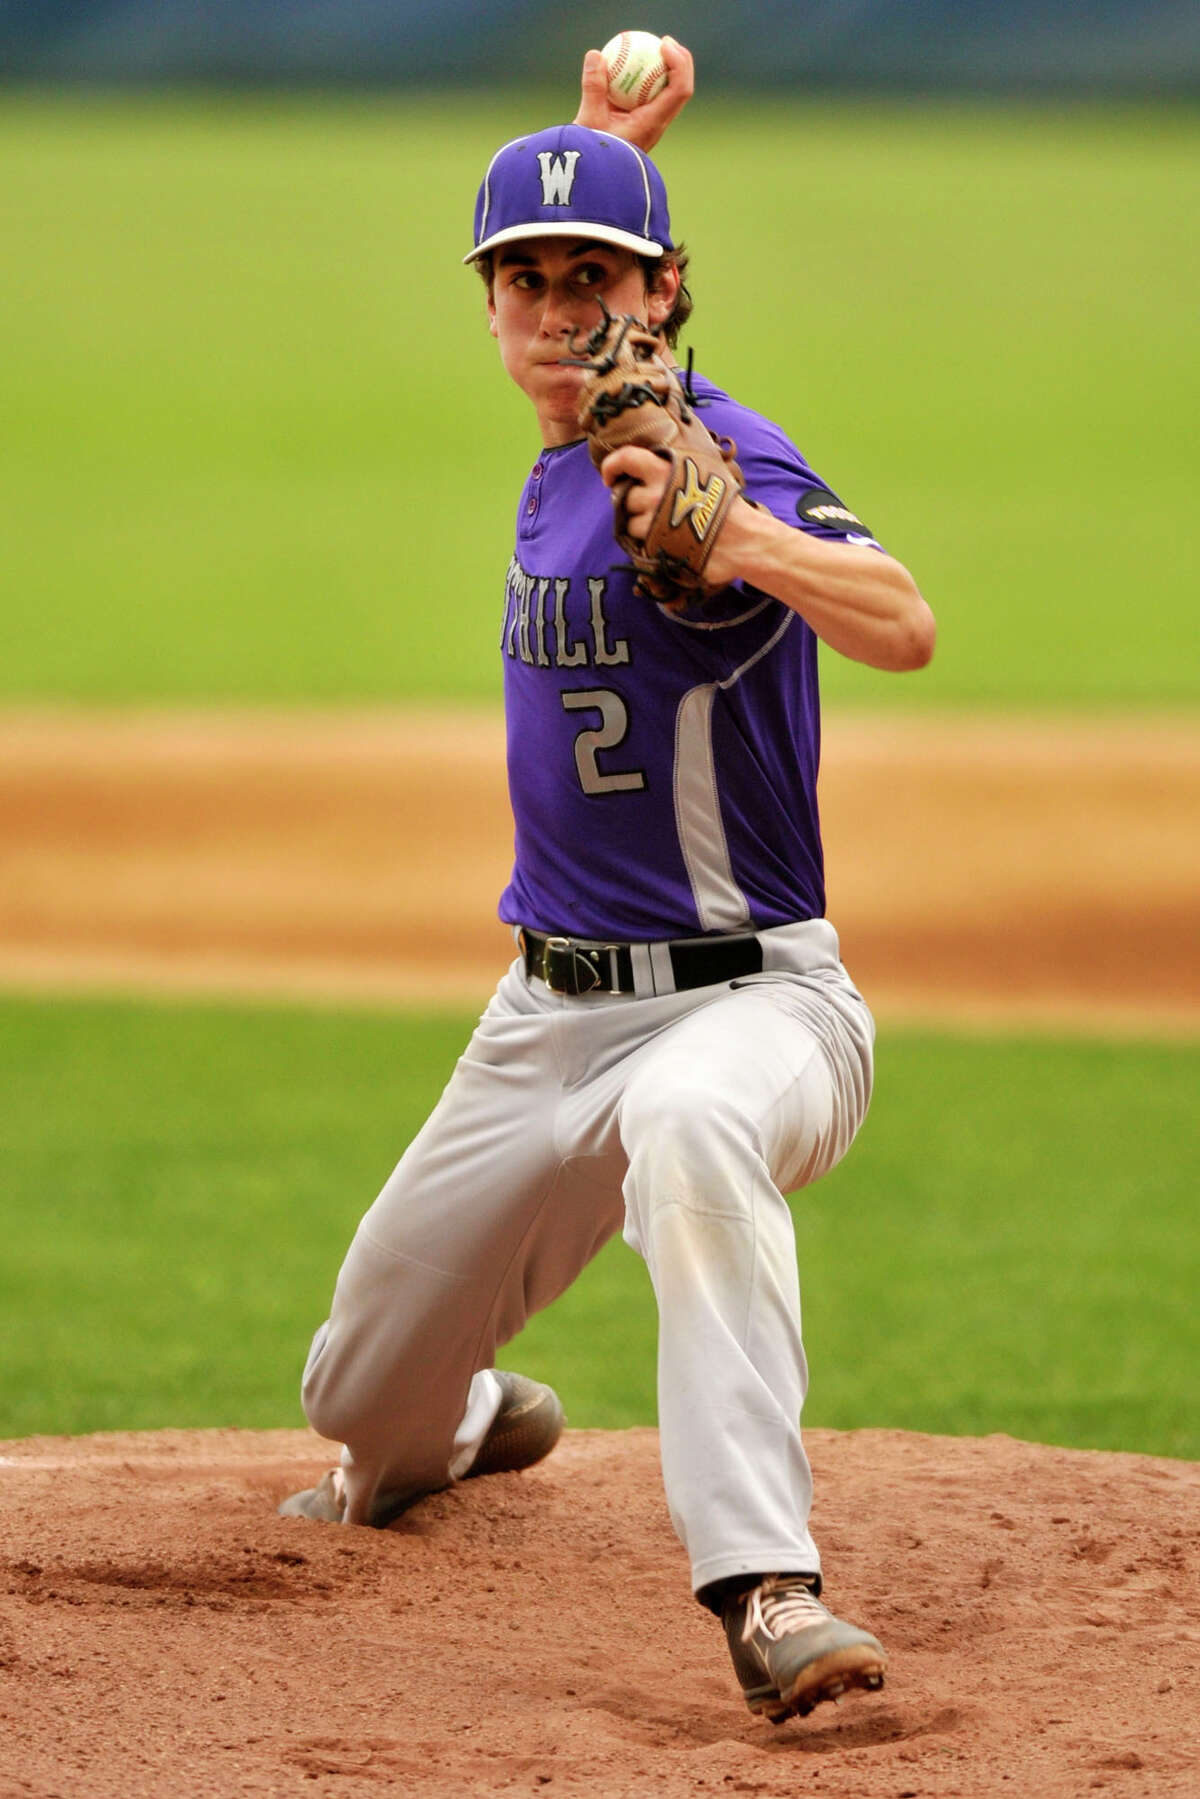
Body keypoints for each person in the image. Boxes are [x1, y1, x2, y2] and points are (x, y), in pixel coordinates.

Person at [280, 40, 936, 1726]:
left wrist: (739, 539)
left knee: (695, 1133)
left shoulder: (720, 448)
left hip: (756, 1003)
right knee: (357, 1403)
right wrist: (597, 152)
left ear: (665, 292)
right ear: (493, 309)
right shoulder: (570, 431)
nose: (560, 313)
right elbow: (574, 290)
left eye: (601, 280)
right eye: (528, 282)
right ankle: (482, 1419)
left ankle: (767, 1587)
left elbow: (904, 621)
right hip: (540, 1021)